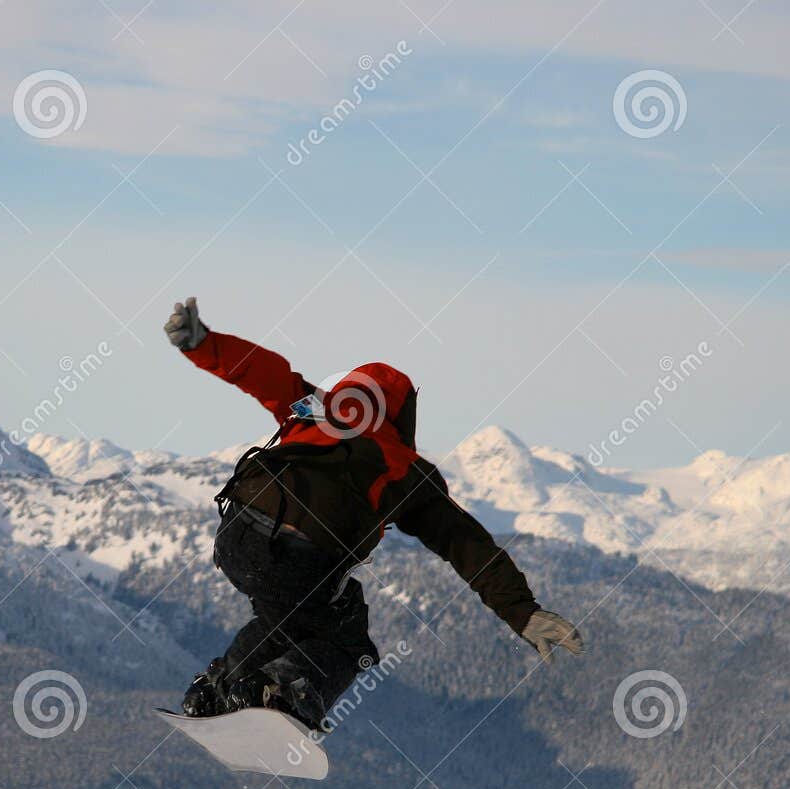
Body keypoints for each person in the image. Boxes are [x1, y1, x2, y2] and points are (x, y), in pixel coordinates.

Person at [166, 296, 584, 730]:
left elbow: (261, 371)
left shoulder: (311, 407)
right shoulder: (404, 466)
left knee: (288, 618)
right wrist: (522, 612)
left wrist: (202, 343)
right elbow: (466, 544)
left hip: (237, 535)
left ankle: (217, 693)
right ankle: (282, 696)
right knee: (345, 637)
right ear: (403, 416)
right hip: (301, 555)